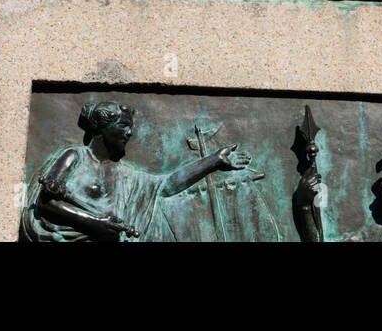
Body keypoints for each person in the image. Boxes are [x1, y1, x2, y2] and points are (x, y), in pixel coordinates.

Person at [21, 100, 250, 242]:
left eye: (130, 127)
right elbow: (45, 202)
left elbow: (168, 184)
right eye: (123, 126)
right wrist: (95, 223)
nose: (129, 132)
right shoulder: (75, 156)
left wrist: (214, 160)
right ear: (102, 128)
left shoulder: (126, 175)